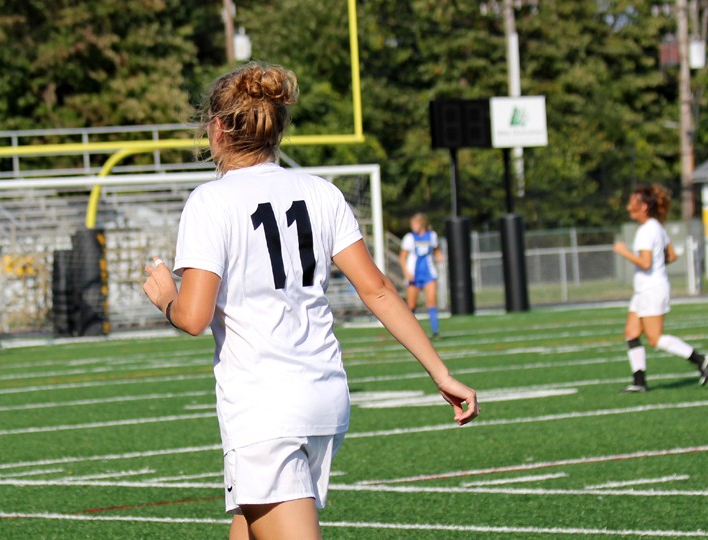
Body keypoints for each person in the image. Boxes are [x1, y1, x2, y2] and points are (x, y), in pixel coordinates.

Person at [141, 62, 479, 540]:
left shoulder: (210, 202)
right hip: (324, 396)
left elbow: (194, 318)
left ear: (216, 128)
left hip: (265, 406)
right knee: (249, 524)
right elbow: (379, 290)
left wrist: (165, 298)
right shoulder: (320, 192)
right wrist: (440, 371)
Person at [613, 184, 708, 392]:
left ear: (644, 207)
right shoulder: (656, 227)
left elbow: (645, 263)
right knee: (631, 333)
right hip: (645, 289)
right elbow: (672, 255)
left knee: (655, 339)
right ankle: (639, 382)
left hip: (651, 289)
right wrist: (655, 263)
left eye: (632, 202)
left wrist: (623, 252)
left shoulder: (646, 231)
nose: (628, 206)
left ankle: (700, 359)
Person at [399, 212, 444, 338]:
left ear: (422, 223)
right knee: (411, 305)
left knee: (432, 302)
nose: (413, 226)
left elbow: (436, 249)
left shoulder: (432, 236)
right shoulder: (409, 238)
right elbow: (402, 258)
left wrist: (439, 255)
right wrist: (407, 273)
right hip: (414, 275)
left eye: (415, 223)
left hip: (429, 274)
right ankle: (407, 333)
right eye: (411, 223)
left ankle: (435, 332)